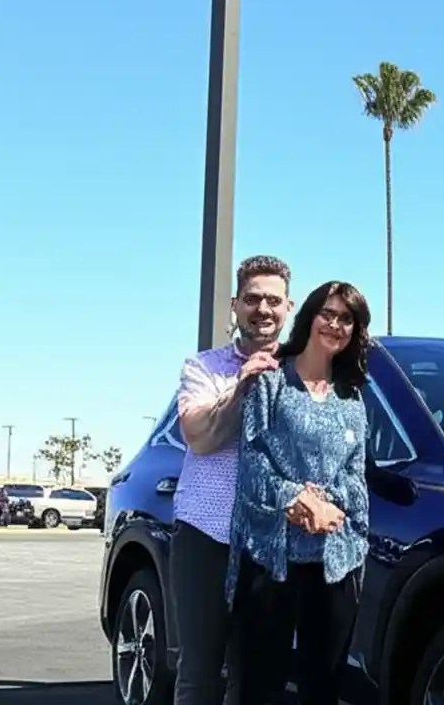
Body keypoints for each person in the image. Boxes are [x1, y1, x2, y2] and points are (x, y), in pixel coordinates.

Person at [225, 280, 391, 705]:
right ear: (310, 316)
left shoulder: (352, 398)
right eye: (328, 314)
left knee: (324, 686)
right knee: (260, 687)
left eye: (347, 319)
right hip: (271, 556)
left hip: (335, 562)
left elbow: (357, 476)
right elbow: (253, 462)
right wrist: (296, 499)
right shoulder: (272, 382)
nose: (335, 325)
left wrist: (327, 503)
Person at [172, 254, 295, 705]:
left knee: (259, 679)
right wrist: (242, 386)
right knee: (200, 675)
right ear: (235, 305)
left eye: (273, 301)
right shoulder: (203, 368)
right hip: (207, 535)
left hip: (270, 541)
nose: (263, 309)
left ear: (289, 308)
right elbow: (200, 437)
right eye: (253, 299)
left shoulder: (302, 372)